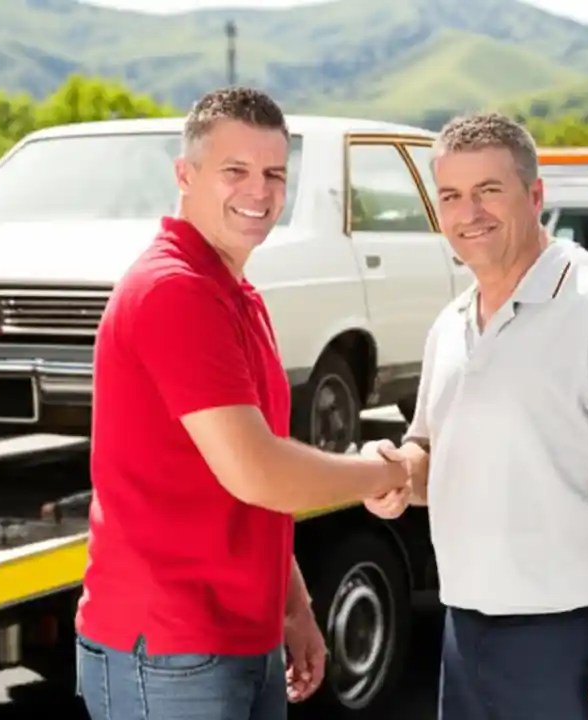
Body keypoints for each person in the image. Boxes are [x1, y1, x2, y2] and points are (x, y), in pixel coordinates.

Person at [76, 86, 411, 720]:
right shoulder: (175, 292)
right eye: (236, 171)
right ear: (186, 174)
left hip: (234, 639)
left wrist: (293, 607)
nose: (259, 192)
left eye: (274, 174)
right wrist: (385, 471)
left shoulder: (236, 294)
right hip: (171, 649)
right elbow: (260, 472)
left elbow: (243, 487)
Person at [363, 112, 588, 720]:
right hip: (465, 632)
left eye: (490, 191)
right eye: (452, 196)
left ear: (535, 195)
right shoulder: (450, 324)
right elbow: (430, 456)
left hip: (571, 642)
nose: (470, 213)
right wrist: (391, 474)